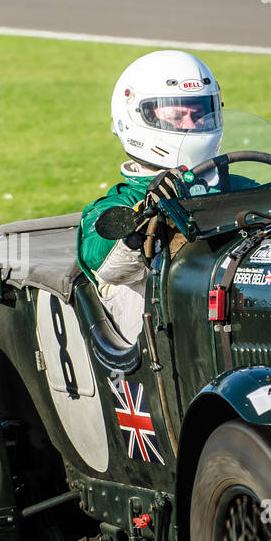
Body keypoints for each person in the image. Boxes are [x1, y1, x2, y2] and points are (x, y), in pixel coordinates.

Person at [77, 50, 224, 339]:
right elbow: (105, 265)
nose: (192, 124)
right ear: (138, 116)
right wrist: (146, 214)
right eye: (178, 114)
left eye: (200, 112)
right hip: (169, 346)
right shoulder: (116, 205)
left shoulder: (239, 183)